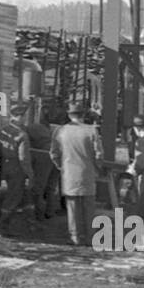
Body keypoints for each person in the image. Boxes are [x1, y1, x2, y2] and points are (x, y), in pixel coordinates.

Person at [54, 103, 102, 247]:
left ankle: (75, 237)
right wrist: (97, 168)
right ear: (83, 115)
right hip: (87, 173)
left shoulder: (60, 131)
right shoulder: (91, 131)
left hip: (69, 174)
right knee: (89, 206)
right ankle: (91, 237)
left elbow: (54, 153)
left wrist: (62, 166)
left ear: (69, 115)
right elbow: (98, 154)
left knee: (72, 206)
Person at [0, 102, 34, 232]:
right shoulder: (22, 135)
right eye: (23, 116)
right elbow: (24, 158)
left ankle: (25, 224)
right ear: (19, 117)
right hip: (17, 169)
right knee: (13, 197)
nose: (24, 119)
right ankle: (4, 227)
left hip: (6, 166)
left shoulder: (3, 131)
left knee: (14, 195)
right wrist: (29, 174)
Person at [25, 98, 58, 220]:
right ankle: (50, 212)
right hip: (57, 155)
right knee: (51, 186)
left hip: (44, 156)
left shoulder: (31, 128)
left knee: (38, 186)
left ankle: (38, 213)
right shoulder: (48, 128)